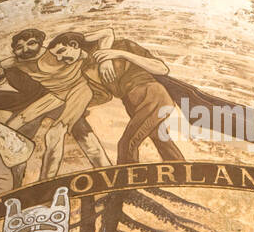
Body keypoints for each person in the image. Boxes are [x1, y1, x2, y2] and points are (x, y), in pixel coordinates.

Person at [47, 31, 185, 163]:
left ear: (74, 45)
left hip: (152, 96)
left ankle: (128, 180)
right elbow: (103, 96)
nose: (60, 59)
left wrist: (119, 54)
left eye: (61, 52)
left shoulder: (120, 46)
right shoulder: (85, 69)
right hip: (132, 104)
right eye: (56, 56)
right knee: (160, 138)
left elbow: (162, 68)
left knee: (127, 143)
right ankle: (179, 167)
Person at [1, 28, 113, 177]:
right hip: (57, 95)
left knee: (55, 133)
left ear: (40, 44)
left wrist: (106, 60)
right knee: (14, 123)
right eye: (19, 47)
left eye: (31, 43)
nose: (26, 49)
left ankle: (47, 180)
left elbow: (107, 32)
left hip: (79, 89)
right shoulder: (15, 62)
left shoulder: (61, 48)